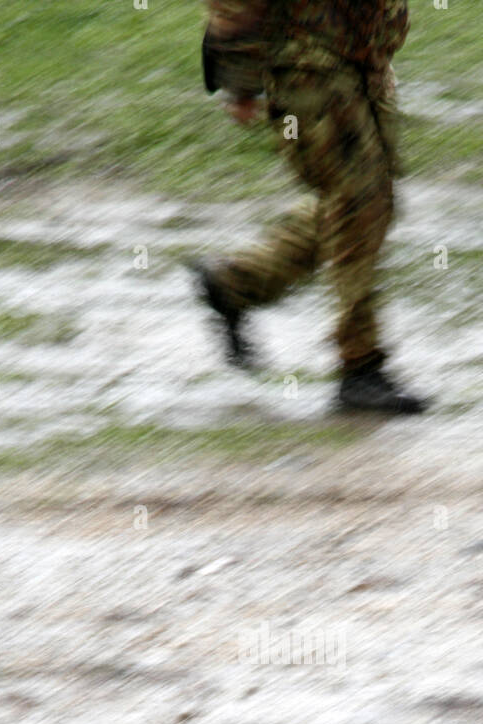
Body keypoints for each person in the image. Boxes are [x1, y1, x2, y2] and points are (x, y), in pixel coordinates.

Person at [194, 0, 426, 414]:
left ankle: (236, 283)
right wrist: (241, 82)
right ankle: (360, 367)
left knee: (366, 205)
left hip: (361, 60)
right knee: (360, 199)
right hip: (307, 65)